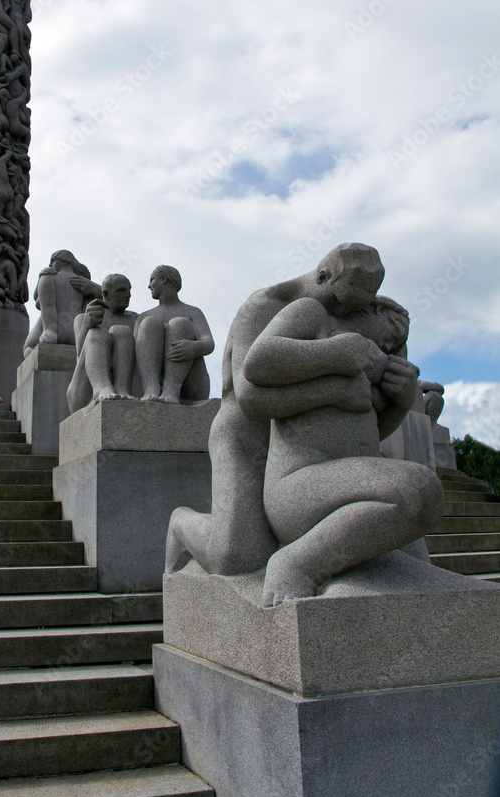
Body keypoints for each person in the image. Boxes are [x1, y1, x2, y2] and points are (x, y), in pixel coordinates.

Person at [165, 242, 444, 605]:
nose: (348, 314)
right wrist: (336, 386)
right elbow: (252, 398)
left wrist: (400, 399)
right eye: (344, 304)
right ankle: (182, 524)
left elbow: (370, 426)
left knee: (402, 552)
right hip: (246, 435)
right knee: (236, 556)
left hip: (320, 459)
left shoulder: (358, 336)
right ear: (324, 277)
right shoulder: (268, 308)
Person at [134, 266, 214, 404]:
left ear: (164, 279)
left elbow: (209, 342)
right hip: (151, 385)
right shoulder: (143, 317)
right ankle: (151, 387)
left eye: (152, 280)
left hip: (189, 385)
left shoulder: (192, 312)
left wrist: (194, 347)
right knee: (149, 323)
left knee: (180, 323)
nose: (149, 286)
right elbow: (135, 354)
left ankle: (171, 389)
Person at [67, 274, 138, 414]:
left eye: (129, 290)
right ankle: (102, 388)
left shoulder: (135, 319)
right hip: (84, 391)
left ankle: (121, 388)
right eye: (121, 290)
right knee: (96, 333)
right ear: (106, 294)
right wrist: (87, 325)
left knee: (121, 331)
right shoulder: (83, 317)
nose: (128, 295)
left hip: (129, 387)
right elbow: (80, 354)